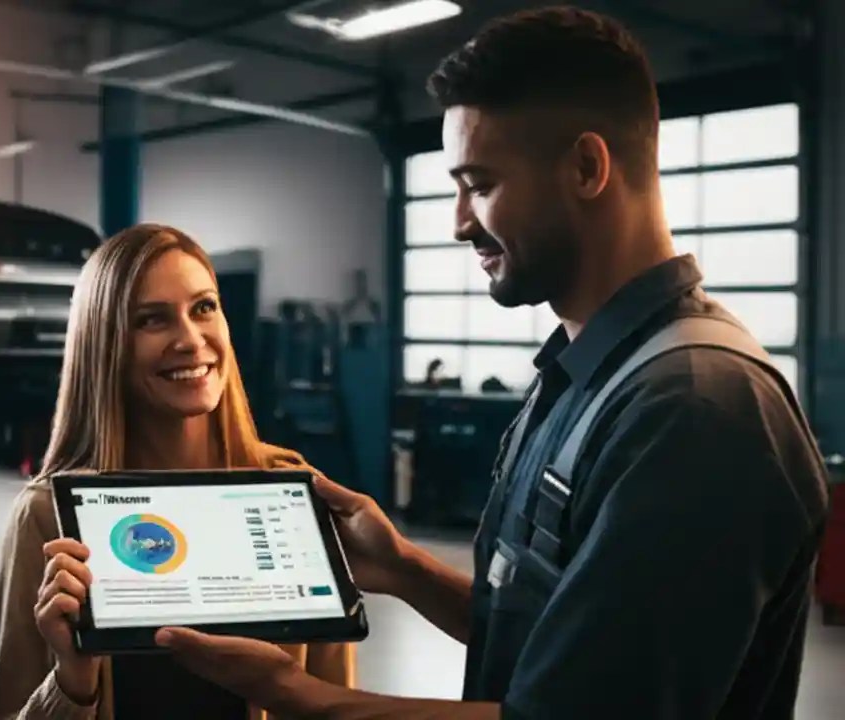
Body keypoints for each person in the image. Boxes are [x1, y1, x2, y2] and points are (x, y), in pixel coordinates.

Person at [143, 7, 831, 719]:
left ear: (588, 168)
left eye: (480, 183)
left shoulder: (697, 412)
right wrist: (405, 568)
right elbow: (561, 647)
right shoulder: (582, 379)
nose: (458, 220)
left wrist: (289, 691)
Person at [0, 224, 355, 720]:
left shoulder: (289, 486)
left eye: (204, 307)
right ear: (106, 344)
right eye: (152, 320)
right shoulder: (45, 516)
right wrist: (70, 684)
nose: (190, 339)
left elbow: (339, 703)